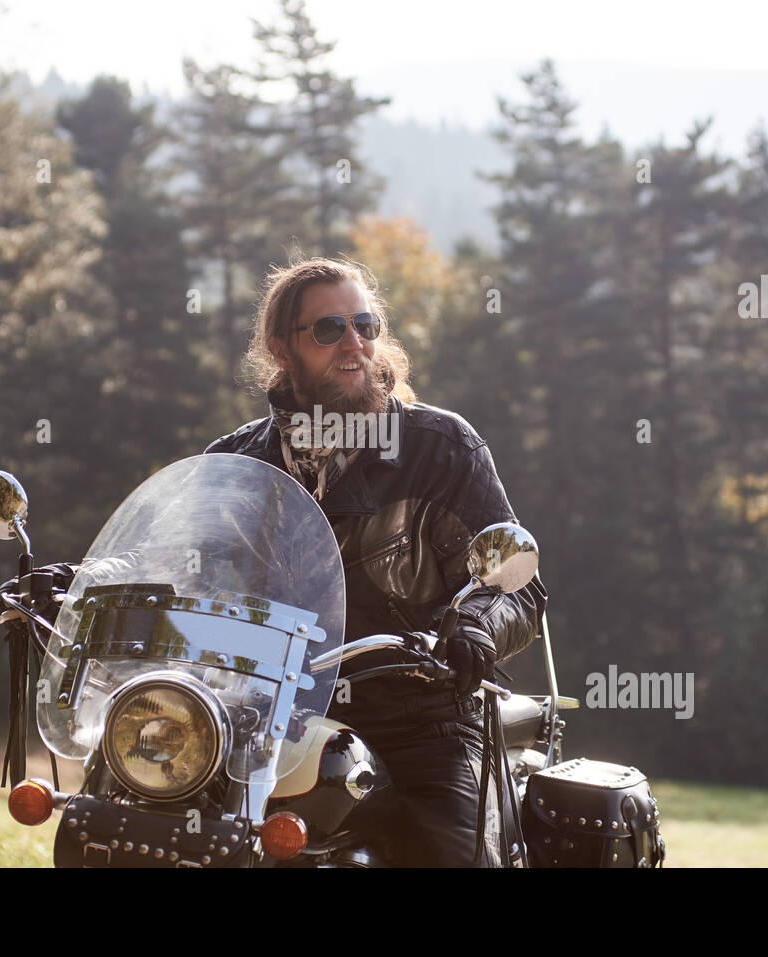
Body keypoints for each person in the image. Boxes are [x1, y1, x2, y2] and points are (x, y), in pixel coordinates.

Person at [203, 257, 547, 866]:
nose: (355, 342)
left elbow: (519, 591)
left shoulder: (438, 447)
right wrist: (88, 584)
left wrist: (473, 626)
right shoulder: (236, 461)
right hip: (266, 721)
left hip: (421, 719)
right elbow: (188, 574)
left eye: (366, 323)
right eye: (330, 328)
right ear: (282, 349)